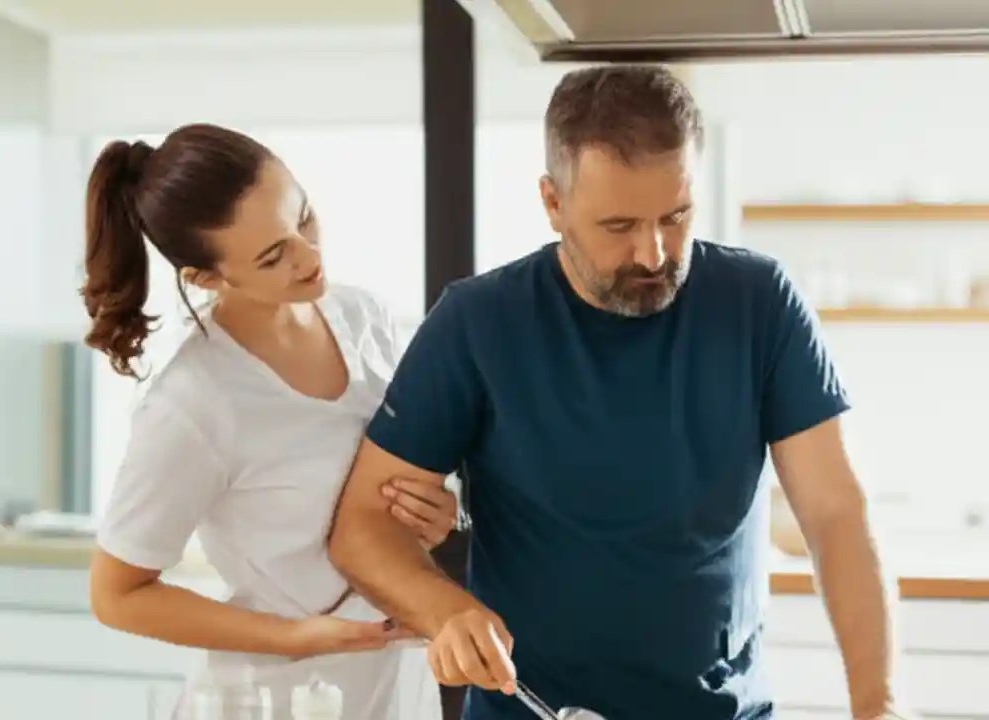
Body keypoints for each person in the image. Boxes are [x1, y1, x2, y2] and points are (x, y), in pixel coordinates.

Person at [328, 65, 908, 720]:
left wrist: (878, 703)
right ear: (552, 203)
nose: (655, 253)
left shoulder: (759, 303)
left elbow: (835, 515)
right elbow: (362, 527)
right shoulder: (476, 323)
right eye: (619, 226)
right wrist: (446, 608)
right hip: (536, 710)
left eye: (676, 216)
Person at [81, 123, 454, 720]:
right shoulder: (195, 401)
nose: (310, 258)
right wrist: (291, 636)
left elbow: (383, 492)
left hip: (396, 683)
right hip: (271, 694)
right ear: (206, 278)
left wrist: (436, 518)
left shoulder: (364, 317)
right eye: (274, 256)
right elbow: (116, 594)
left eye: (302, 218)